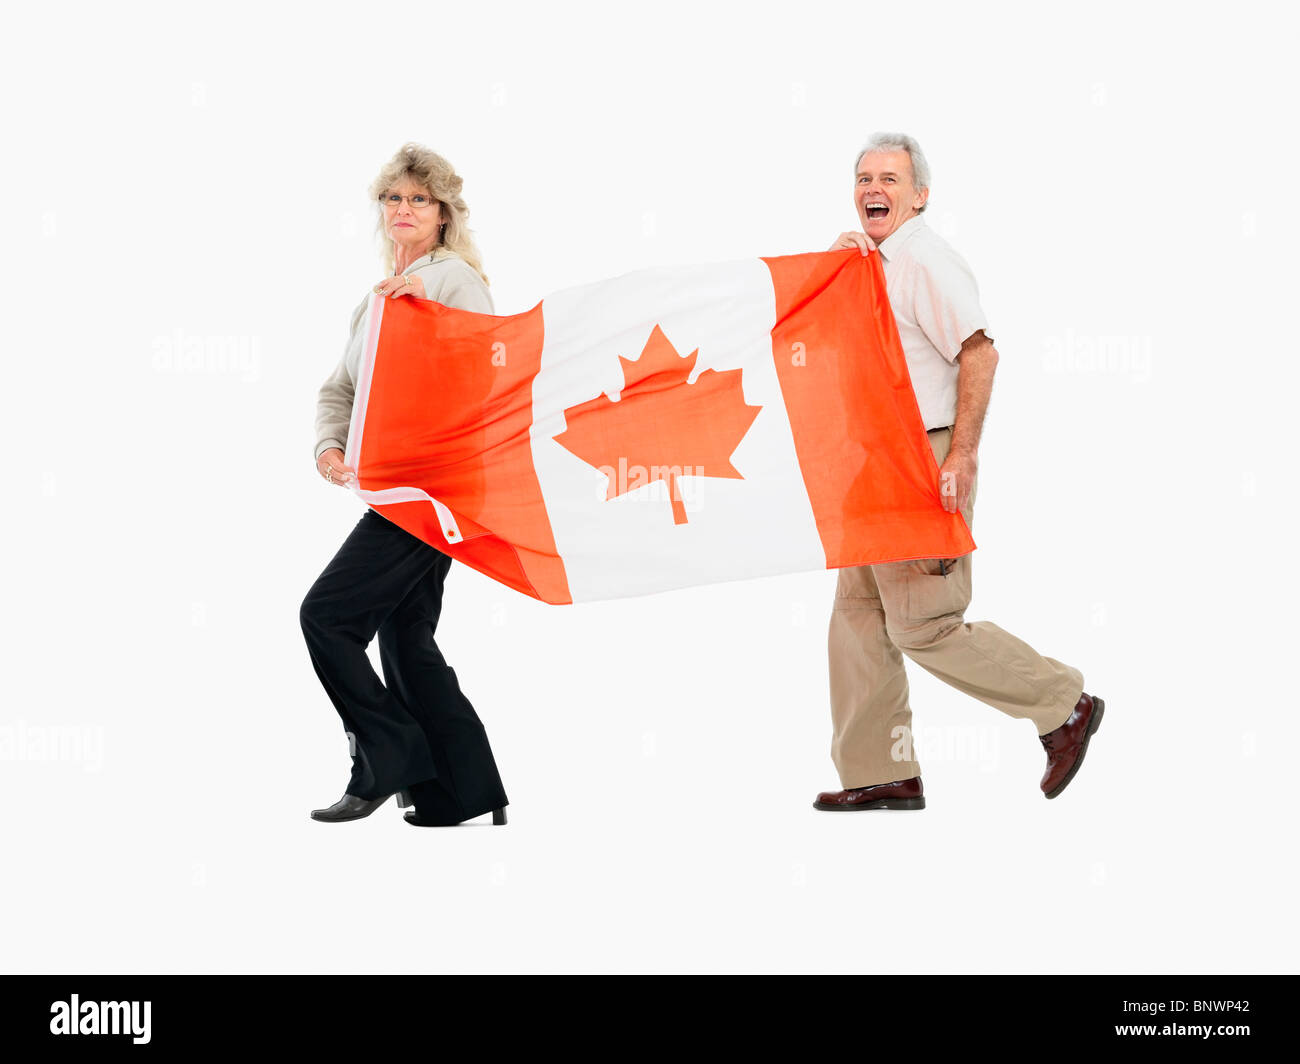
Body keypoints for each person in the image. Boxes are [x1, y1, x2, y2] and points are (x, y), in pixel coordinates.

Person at [815, 132, 1103, 811]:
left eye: (890, 178)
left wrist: (962, 453)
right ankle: (878, 772)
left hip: (920, 454)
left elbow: (980, 354)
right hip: (872, 457)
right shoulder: (872, 261)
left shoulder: (925, 260)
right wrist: (833, 266)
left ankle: (1064, 704)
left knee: (924, 623)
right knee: (858, 615)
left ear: (920, 195)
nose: (873, 189)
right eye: (863, 179)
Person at [300, 142, 508, 828]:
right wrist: (330, 446)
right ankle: (463, 792)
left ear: (444, 213)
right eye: (393, 197)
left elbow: (483, 376)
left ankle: (387, 755)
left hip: (433, 489)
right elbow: (340, 389)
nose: (404, 209)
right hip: (391, 488)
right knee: (405, 638)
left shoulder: (452, 283)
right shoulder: (376, 297)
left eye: (420, 198)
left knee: (326, 616)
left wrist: (421, 313)